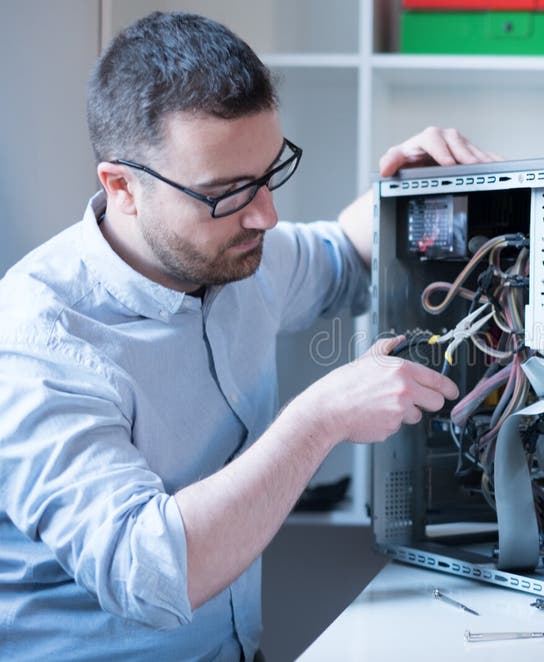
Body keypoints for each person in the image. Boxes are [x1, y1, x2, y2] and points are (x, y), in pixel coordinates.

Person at [0, 11, 495, 661]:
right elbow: (148, 573)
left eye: (268, 174)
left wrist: (408, 188)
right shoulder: (38, 342)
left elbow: (345, 252)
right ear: (122, 187)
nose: (266, 215)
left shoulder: (239, 255)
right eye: (228, 193)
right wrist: (320, 419)